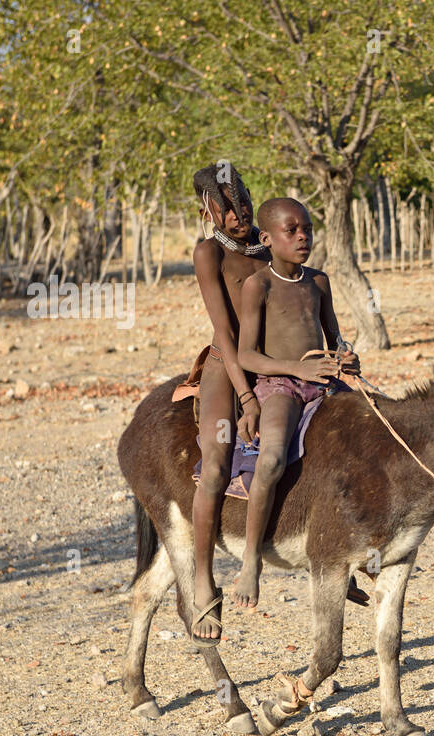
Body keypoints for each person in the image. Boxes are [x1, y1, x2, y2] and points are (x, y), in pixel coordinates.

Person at [234, 197, 360, 609]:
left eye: (306, 228)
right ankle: (251, 559)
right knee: (271, 459)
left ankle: (349, 556)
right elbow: (246, 355)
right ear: (268, 238)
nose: (302, 236)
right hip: (281, 387)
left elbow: (334, 337)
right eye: (292, 231)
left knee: (367, 446)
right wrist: (296, 369)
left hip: (323, 383)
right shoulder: (259, 286)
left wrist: (345, 357)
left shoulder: (318, 282)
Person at [178, 162, 268, 646]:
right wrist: (247, 394)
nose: (238, 214)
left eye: (243, 202)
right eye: (225, 207)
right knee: (214, 466)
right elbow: (224, 332)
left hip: (276, 359)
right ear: (206, 210)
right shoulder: (208, 253)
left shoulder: (272, 242)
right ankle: (202, 579)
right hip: (227, 363)